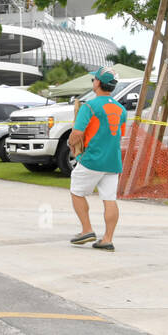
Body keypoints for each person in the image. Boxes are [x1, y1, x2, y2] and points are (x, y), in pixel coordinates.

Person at [67, 69, 127, 251]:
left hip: (92, 159)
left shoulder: (90, 107)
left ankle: (86, 229)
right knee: (109, 199)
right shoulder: (121, 109)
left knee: (76, 191)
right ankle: (107, 238)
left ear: (98, 83)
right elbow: (119, 135)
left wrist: (71, 143)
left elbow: (77, 133)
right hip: (113, 161)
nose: (93, 81)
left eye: (95, 79)